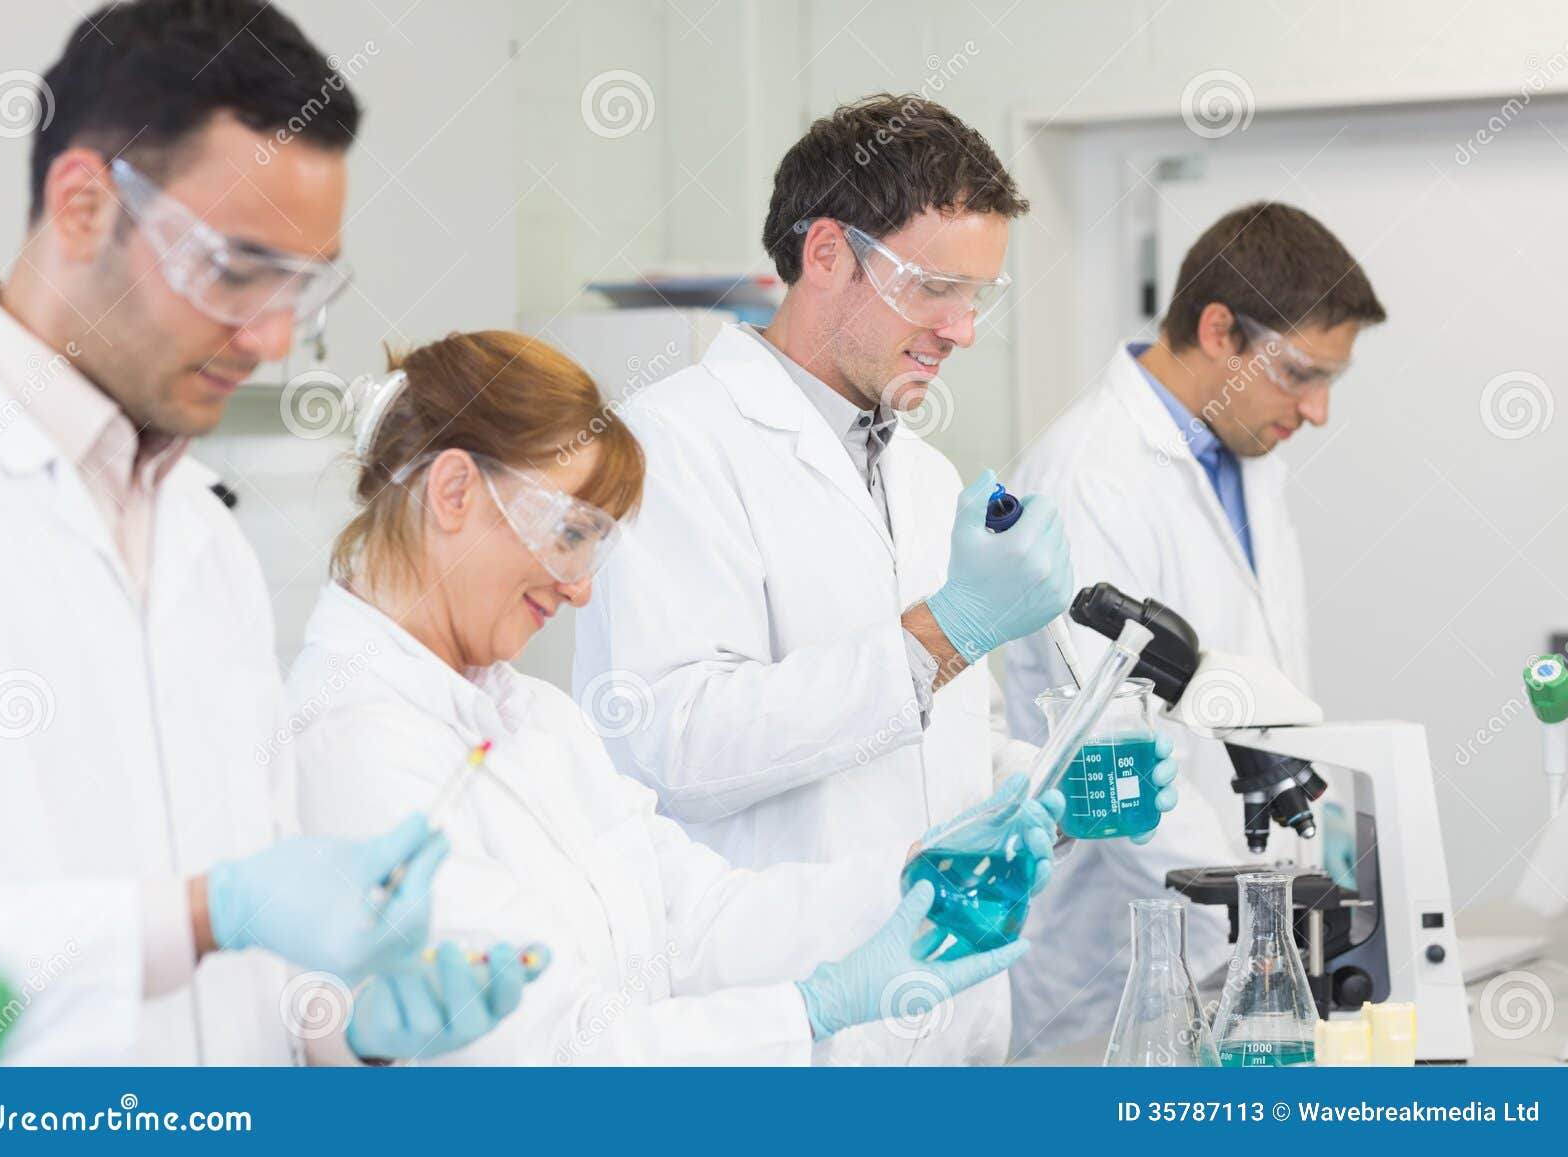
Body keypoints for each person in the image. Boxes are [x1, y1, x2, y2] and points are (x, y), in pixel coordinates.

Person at [0, 0, 530, 1065]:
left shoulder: (206, 540)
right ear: (82, 204)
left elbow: (259, 951)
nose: (272, 338)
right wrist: (200, 912)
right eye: (234, 270)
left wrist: (348, 1024)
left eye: (302, 288)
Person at [570, 95, 1181, 1062]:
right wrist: (944, 630)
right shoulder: (673, 443)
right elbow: (669, 743)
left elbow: (939, 746)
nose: (962, 329)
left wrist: (1051, 786)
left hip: (951, 1026)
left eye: (978, 294)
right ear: (825, 255)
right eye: (936, 285)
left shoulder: (924, 470)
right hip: (786, 1027)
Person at [288, 330, 1066, 1065]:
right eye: (570, 534)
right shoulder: (356, 745)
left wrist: (909, 877)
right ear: (453, 489)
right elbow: (545, 1059)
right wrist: (809, 1010)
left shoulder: (534, 718)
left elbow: (688, 918)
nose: (582, 588)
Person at [1002, 202, 1386, 1055]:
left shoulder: (1246, 459)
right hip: (1115, 973)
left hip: (1238, 948)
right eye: (1300, 374)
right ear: (1220, 330)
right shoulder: (1090, 478)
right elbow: (1118, 766)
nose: (1317, 410)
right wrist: (1258, 938)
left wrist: (1277, 937)